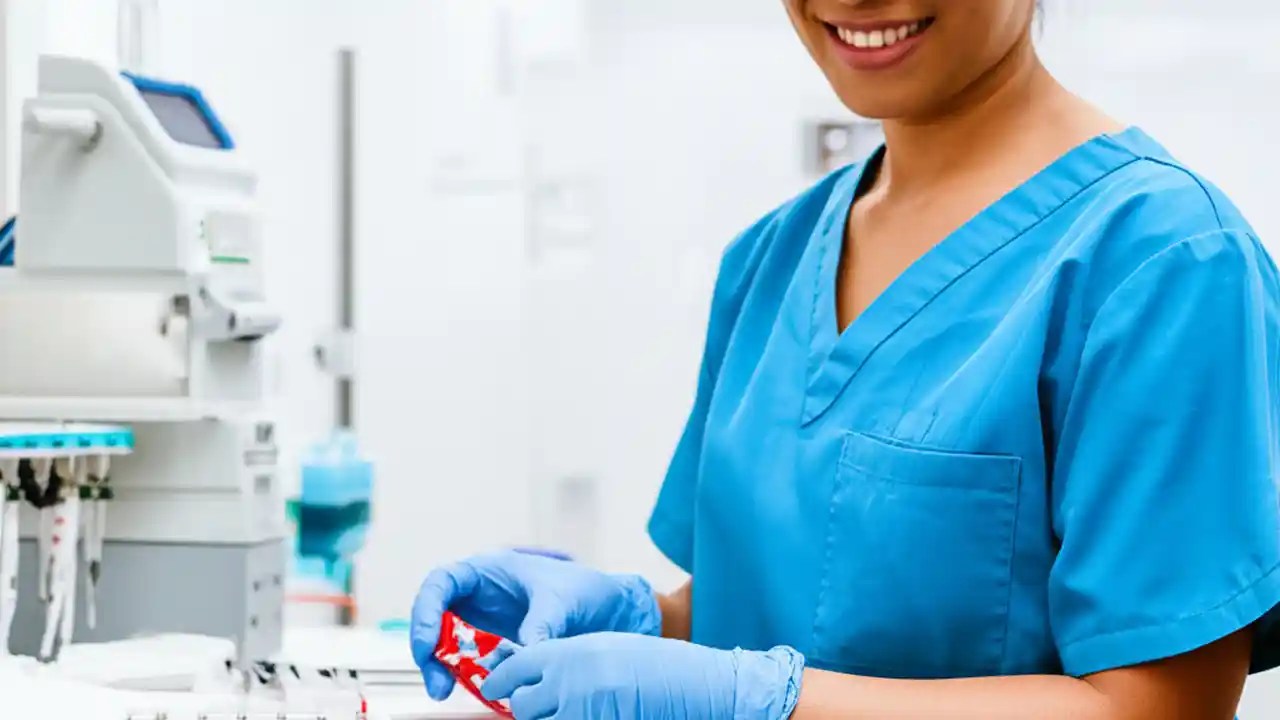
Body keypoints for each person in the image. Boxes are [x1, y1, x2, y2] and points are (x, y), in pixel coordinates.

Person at [411, 1, 1280, 717]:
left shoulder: (1164, 260)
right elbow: (778, 609)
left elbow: (1160, 706)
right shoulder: (770, 258)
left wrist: (768, 701)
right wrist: (643, 619)